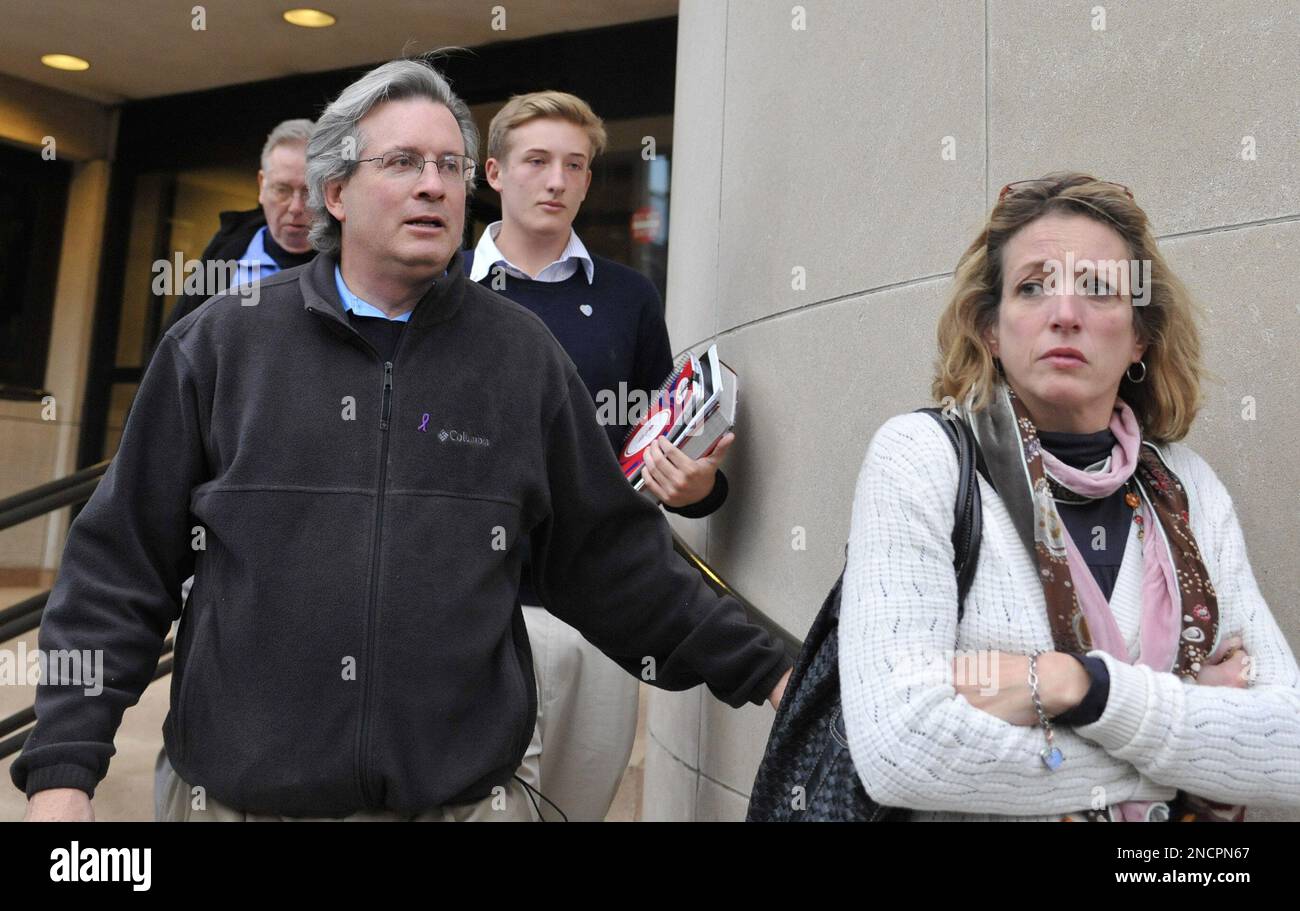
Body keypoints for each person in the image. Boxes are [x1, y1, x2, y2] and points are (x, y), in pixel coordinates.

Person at [12, 57, 791, 823]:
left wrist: (777, 670)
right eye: (404, 161)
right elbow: (119, 567)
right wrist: (63, 769)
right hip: (236, 802)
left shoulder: (521, 359)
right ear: (336, 192)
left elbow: (616, 556)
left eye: (450, 165)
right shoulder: (221, 346)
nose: (434, 183)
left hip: (459, 802)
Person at [840, 172, 1300, 821]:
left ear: (1139, 336)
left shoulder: (1189, 486)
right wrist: (1179, 748)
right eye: (1032, 286)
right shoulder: (922, 458)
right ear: (991, 329)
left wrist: (1076, 685)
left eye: (1098, 290)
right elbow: (899, 746)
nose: (1064, 312)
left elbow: (1288, 747)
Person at [463, 91, 733, 821]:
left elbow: (661, 441)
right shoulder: (439, 287)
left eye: (574, 165)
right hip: (468, 600)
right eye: (537, 161)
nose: (556, 180)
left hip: (601, 610)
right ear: (494, 172)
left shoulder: (628, 297)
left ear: (588, 180)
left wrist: (698, 487)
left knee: (574, 806)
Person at [160, 118, 317, 333]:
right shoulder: (225, 253)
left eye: (309, 192)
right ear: (262, 185)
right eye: (282, 190)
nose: (296, 207)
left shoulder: (350, 266)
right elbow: (179, 347)